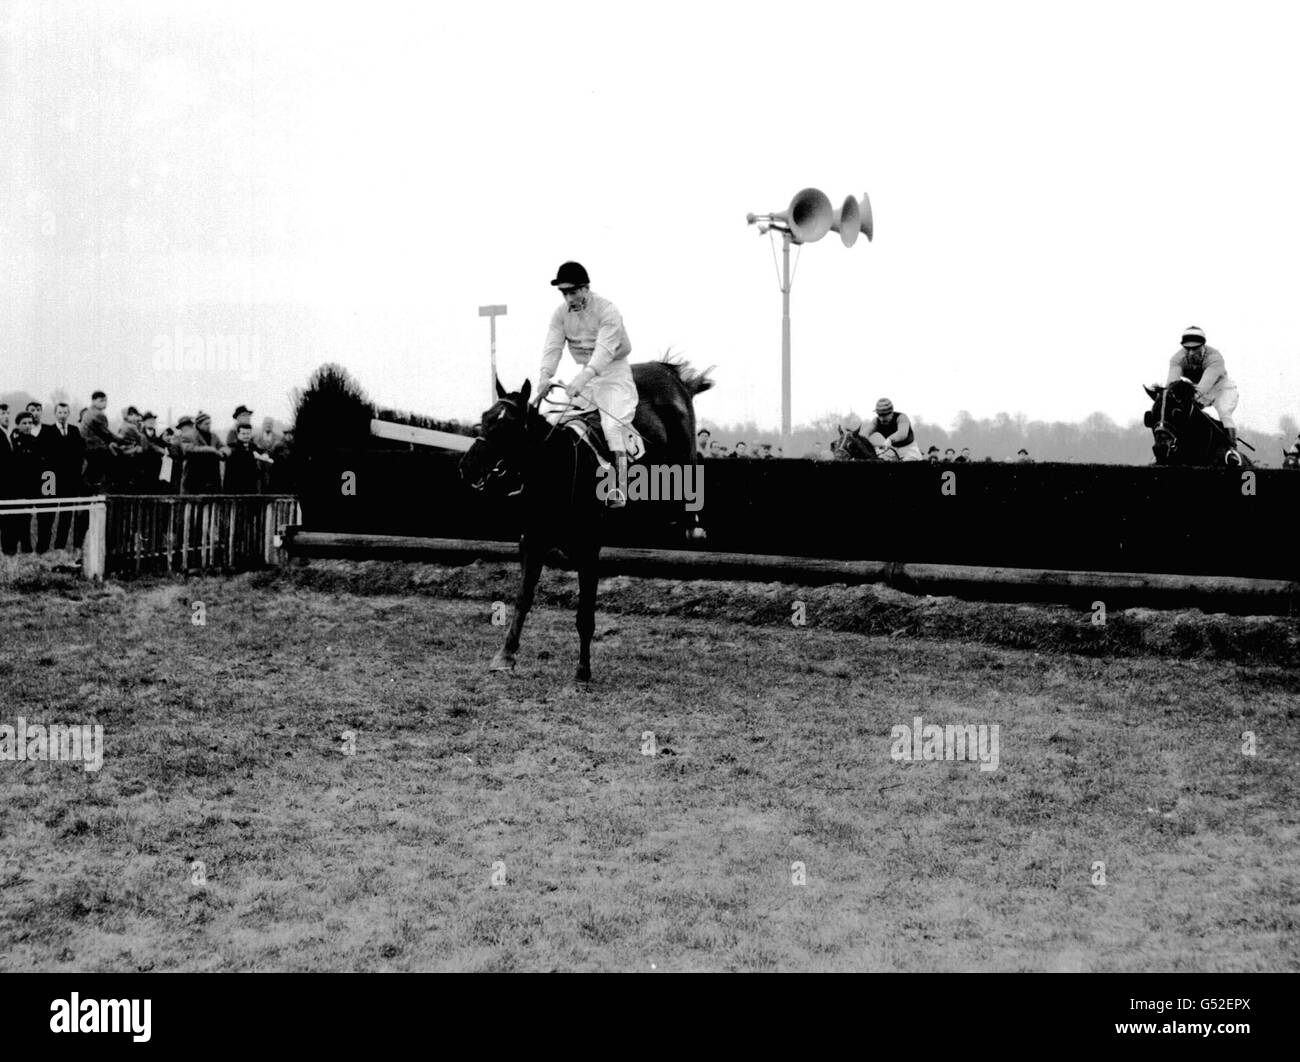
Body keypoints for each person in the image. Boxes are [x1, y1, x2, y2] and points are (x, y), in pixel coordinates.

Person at [533, 261, 638, 508]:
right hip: (586, 376)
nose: (568, 298)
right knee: (555, 419)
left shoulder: (608, 310)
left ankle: (620, 488)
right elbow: (553, 347)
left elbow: (603, 353)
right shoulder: (560, 315)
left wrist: (581, 379)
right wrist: (544, 377)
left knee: (612, 426)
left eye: (572, 291)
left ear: (586, 288)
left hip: (615, 374)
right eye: (564, 293)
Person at [1166, 325, 1240, 453]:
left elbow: (1203, 387)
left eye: (1195, 348)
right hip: (1199, 389)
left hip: (1221, 389)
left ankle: (1232, 450)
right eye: (1187, 349)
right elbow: (1172, 384)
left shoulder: (1215, 358)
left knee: (1224, 412)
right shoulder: (1176, 359)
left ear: (1203, 346)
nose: (1191, 353)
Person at [43, 401, 85, 549]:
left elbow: (80, 453)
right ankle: (44, 547)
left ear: (68, 414)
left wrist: (75, 472)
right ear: (55, 414)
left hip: (70, 480)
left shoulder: (74, 431)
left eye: (65, 413)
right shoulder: (47, 431)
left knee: (66, 516)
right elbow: (45, 456)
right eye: (59, 413)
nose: (62, 416)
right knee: (48, 515)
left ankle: (59, 546)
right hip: (52, 480)